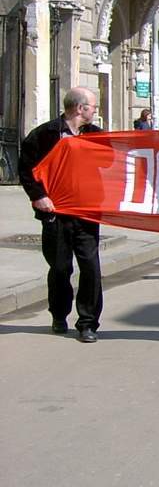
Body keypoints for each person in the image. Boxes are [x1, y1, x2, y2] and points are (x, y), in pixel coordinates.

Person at [18, 87, 104, 342]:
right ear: (80, 108)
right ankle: (58, 314)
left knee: (90, 268)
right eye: (93, 106)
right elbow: (27, 170)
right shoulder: (44, 135)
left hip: (87, 212)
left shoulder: (96, 135)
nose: (95, 111)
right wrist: (38, 196)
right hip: (56, 214)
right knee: (60, 268)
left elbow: (111, 162)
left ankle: (87, 323)